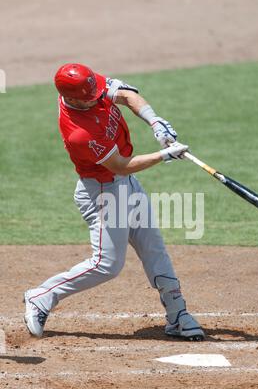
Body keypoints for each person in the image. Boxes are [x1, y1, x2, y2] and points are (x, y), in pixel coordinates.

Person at [23, 63, 205, 342]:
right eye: (89, 96)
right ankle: (42, 296)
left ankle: (177, 314)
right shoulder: (79, 133)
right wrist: (163, 155)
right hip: (104, 194)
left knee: (153, 247)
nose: (98, 96)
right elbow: (120, 165)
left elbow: (127, 95)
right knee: (106, 265)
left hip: (125, 186)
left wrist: (155, 121)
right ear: (71, 99)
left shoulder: (86, 85)